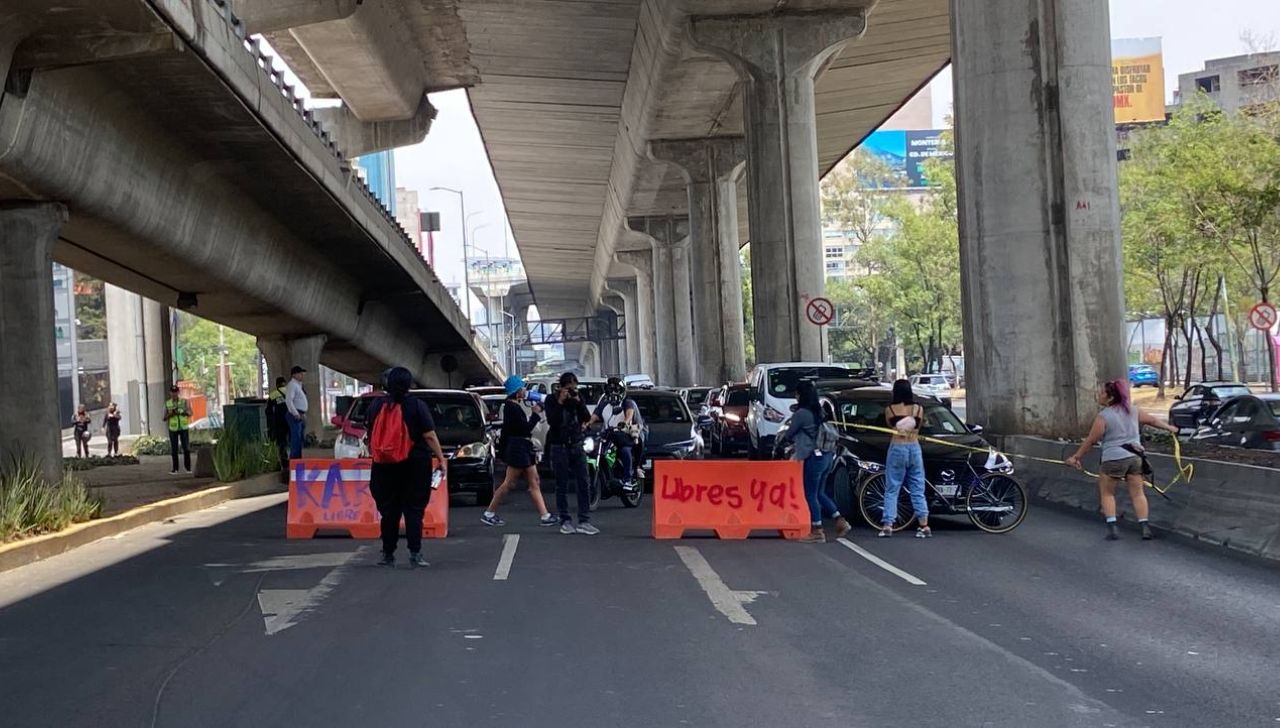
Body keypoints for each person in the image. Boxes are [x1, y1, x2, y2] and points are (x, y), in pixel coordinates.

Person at [1066, 379, 1178, 541]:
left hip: (1113, 459)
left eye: (1101, 392)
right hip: (1135, 457)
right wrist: (1171, 428)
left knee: (1107, 493)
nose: (1098, 394)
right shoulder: (1132, 410)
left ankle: (1113, 529)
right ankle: (1145, 527)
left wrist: (1076, 457)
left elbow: (1091, 440)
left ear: (1110, 397)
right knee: (1138, 493)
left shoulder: (1104, 416)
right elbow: (1153, 421)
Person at [365, 367, 447, 568]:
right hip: (415, 464)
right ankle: (415, 553)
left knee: (389, 511)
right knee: (414, 510)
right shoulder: (417, 406)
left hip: (383, 465)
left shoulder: (376, 405)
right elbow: (429, 435)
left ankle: (387, 554)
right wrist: (441, 458)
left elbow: (369, 432)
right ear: (409, 384)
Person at [482, 375, 557, 527]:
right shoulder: (512, 408)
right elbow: (524, 429)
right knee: (509, 483)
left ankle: (545, 515)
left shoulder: (512, 407)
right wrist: (536, 414)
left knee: (533, 481)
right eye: (522, 389)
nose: (525, 391)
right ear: (516, 392)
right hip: (518, 449)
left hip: (521, 448)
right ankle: (489, 513)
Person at [781, 380, 851, 543]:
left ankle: (817, 530)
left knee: (810, 494)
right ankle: (840, 520)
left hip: (813, 457)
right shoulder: (819, 411)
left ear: (800, 395)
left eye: (796, 393)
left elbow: (789, 434)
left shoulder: (801, 414)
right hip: (827, 456)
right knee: (820, 492)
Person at [544, 371, 597, 535]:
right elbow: (553, 421)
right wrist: (560, 401)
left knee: (584, 482)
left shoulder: (577, 399)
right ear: (560, 387)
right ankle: (565, 519)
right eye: (568, 388)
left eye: (574, 387)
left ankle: (584, 520)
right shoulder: (551, 400)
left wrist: (578, 402)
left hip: (577, 443)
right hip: (559, 446)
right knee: (562, 484)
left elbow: (586, 418)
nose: (572, 391)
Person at [880, 378, 930, 538]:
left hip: (897, 447)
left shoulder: (890, 409)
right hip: (914, 448)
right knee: (917, 487)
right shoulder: (918, 409)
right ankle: (924, 525)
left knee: (892, 488)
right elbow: (918, 427)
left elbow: (890, 425)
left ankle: (888, 524)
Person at [588, 376, 645, 490]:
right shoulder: (603, 405)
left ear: (622, 391)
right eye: (610, 390)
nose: (613, 392)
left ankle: (628, 480)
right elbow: (593, 417)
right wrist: (586, 424)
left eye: (616, 390)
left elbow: (629, 415)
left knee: (625, 450)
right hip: (609, 436)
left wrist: (624, 423)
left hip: (626, 435)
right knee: (595, 449)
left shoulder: (628, 403)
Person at [162, 386, 192, 474]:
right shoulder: (167, 404)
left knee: (186, 448)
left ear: (178, 392)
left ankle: (188, 468)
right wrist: (171, 414)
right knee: (174, 449)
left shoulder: (184, 402)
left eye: (175, 392)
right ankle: (175, 469)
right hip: (173, 428)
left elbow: (190, 413)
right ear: (170, 393)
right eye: (172, 392)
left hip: (183, 428)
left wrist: (183, 412)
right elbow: (163, 418)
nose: (174, 394)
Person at [266, 377, 290, 477]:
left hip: (279, 422)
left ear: (277, 385)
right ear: (285, 383)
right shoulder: (290, 391)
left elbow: (268, 411)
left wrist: (271, 423)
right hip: (291, 420)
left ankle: (284, 463)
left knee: (281, 442)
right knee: (292, 441)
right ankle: (294, 461)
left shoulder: (273, 394)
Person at [284, 365, 308, 459]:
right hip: (295, 415)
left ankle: (298, 459)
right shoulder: (292, 385)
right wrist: (295, 413)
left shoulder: (298, 386)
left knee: (299, 438)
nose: (302, 375)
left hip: (300, 413)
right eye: (300, 373)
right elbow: (289, 401)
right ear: (294, 375)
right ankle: (294, 460)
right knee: (295, 438)